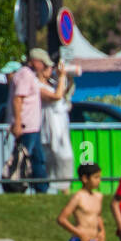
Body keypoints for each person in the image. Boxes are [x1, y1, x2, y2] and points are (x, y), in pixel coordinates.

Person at [57, 163, 105, 241]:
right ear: (85, 178)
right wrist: (80, 234)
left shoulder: (98, 197)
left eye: (99, 177)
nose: (99, 180)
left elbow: (98, 216)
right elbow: (62, 219)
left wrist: (102, 231)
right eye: (96, 177)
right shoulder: (78, 197)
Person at [10, 48, 51, 194]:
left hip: (33, 126)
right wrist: (17, 123)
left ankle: (41, 188)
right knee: (23, 159)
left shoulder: (30, 75)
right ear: (35, 61)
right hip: (26, 126)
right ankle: (18, 187)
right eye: (43, 64)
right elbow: (18, 99)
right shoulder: (25, 75)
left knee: (37, 159)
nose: (45, 67)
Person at [39, 60, 74, 194]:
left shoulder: (52, 83)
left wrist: (64, 76)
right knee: (51, 161)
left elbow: (65, 91)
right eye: (48, 67)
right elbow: (57, 96)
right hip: (50, 129)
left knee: (65, 158)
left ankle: (65, 190)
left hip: (61, 130)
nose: (50, 70)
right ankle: (50, 192)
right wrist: (61, 77)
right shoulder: (38, 85)